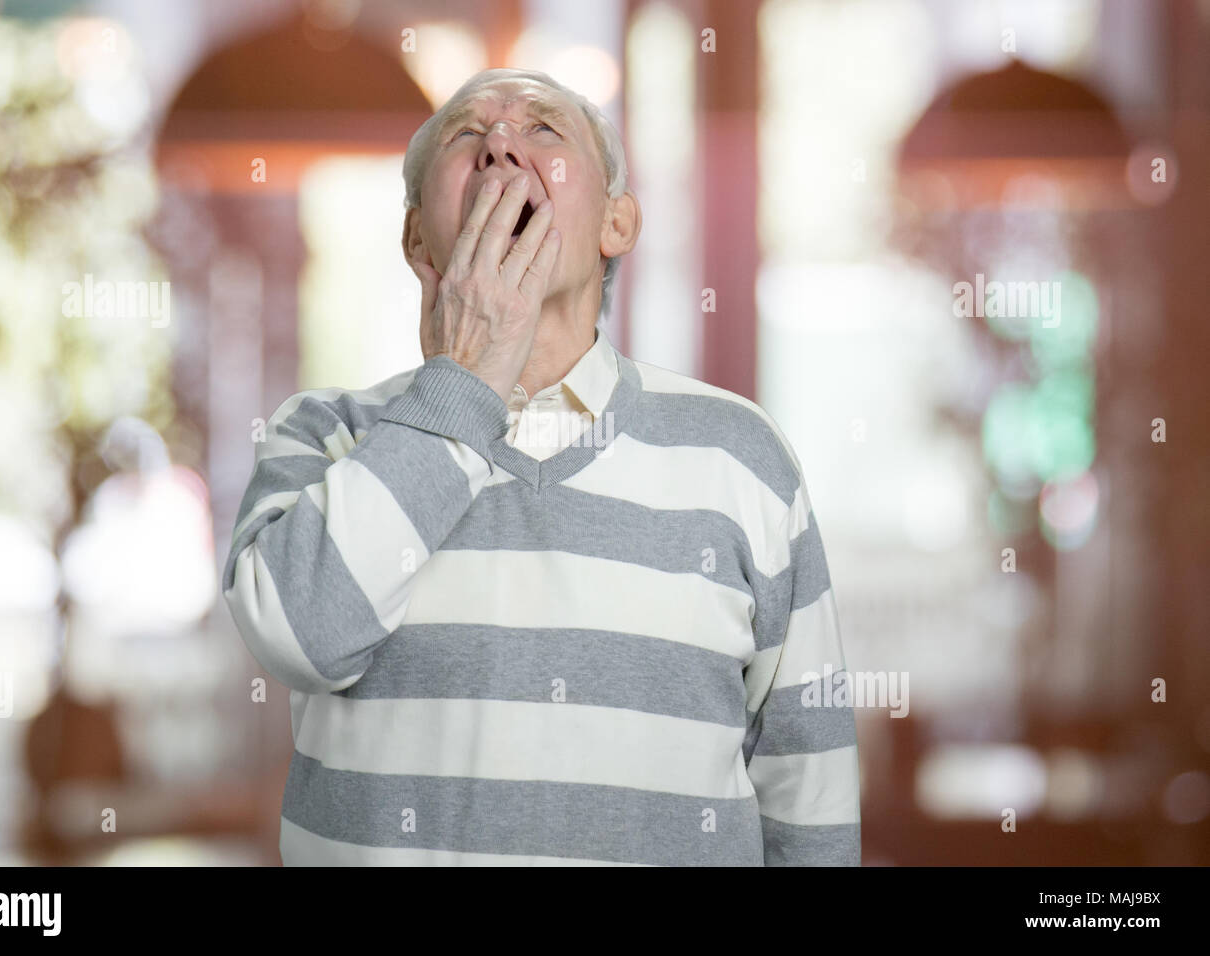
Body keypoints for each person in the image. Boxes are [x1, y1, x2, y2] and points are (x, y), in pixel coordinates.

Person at [222, 67, 860, 866]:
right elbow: (300, 636)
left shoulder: (741, 456)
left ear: (617, 224)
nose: (498, 143)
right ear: (418, 239)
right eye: (466, 134)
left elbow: (811, 796)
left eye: (544, 129)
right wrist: (464, 385)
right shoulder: (321, 433)